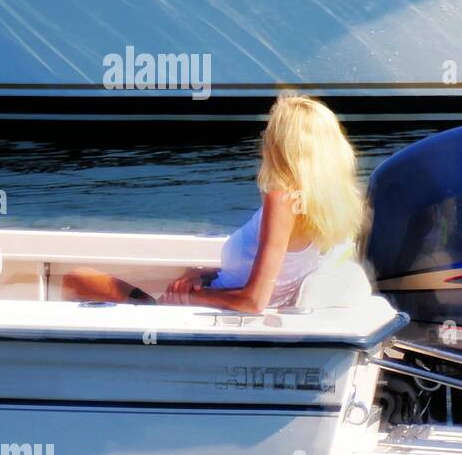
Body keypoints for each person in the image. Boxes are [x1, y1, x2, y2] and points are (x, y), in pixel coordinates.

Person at [62, 94, 364, 313]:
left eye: (269, 133)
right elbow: (279, 271)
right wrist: (202, 273)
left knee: (77, 279)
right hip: (223, 303)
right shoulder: (331, 205)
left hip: (215, 313)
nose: (264, 140)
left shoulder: (282, 200)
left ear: (284, 146)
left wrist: (193, 297)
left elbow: (253, 300)